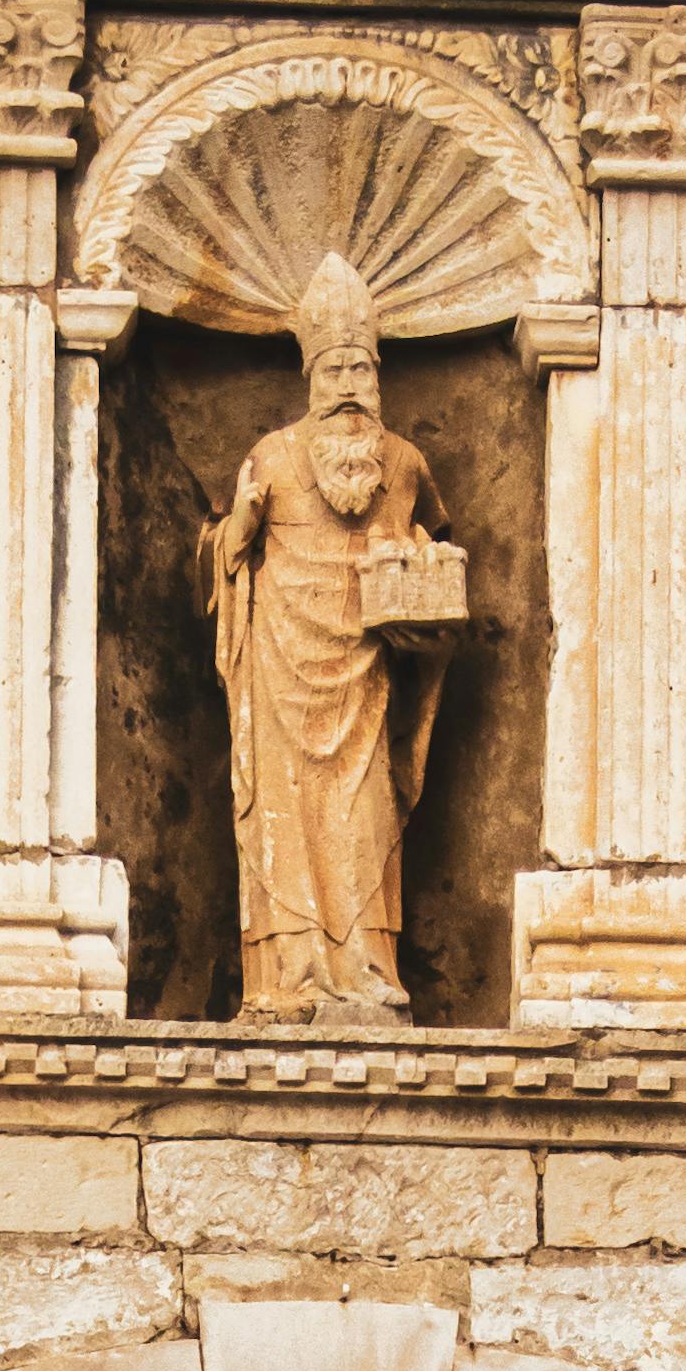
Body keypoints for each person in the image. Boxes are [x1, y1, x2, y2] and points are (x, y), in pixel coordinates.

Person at [202, 250, 453, 1020]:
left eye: (361, 372)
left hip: (367, 677)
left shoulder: (405, 463)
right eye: (332, 371)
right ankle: (289, 976)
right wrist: (239, 524)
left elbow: (432, 554)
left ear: (378, 379)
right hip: (281, 675)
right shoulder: (271, 456)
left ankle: (369, 971)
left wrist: (423, 580)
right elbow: (221, 555)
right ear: (309, 379)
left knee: (363, 817)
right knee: (284, 820)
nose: (348, 387)